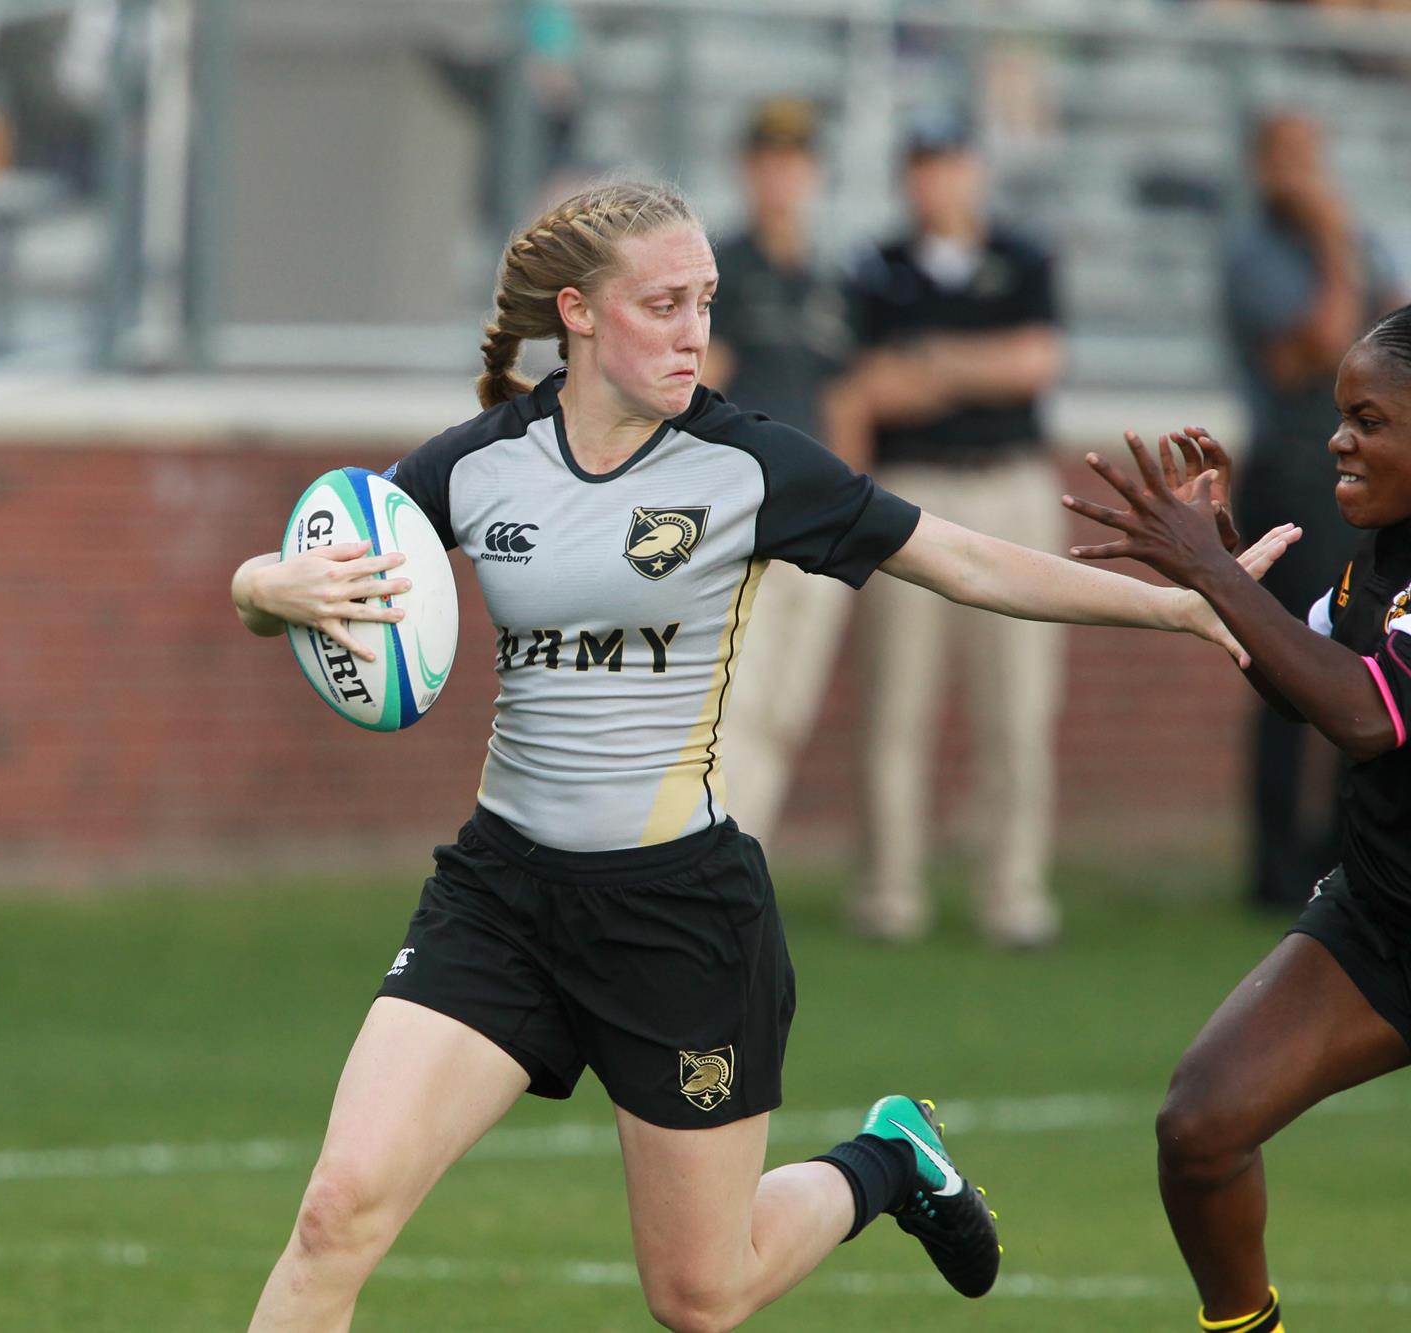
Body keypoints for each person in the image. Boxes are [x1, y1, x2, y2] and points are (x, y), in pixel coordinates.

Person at [228, 182, 1289, 1333]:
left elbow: (968, 562)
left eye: (704, 302)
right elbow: (322, 568)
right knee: (336, 1214)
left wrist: (1181, 608)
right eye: (663, 304)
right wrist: (263, 587)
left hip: (675, 914)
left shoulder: (746, 466)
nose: (693, 330)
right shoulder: (478, 464)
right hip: (498, 898)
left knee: (700, 1293)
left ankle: (888, 1162)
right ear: (577, 313)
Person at [1063, 305, 1411, 1333]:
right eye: (1339, 415)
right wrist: (1215, 578)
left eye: (1368, 419)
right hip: (1383, 918)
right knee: (1203, 1123)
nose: (1336, 439)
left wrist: (1212, 576)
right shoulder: (1376, 559)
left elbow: (1362, 716)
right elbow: (1305, 685)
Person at [839, 108, 1067, 948]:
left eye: (951, 163)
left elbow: (1037, 362)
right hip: (914, 489)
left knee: (1018, 702)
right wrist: (982, 370)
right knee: (899, 698)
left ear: (976, 169)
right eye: (923, 165)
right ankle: (889, 890)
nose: (938, 181)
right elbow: (868, 390)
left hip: (1011, 487)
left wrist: (932, 363)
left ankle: (1015, 893)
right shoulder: (876, 268)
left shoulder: (1024, 256)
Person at [1223, 110, 1405, 913]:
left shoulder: (1352, 235)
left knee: (1364, 668)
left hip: (1366, 485)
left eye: (1310, 153)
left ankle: (1343, 852)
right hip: (1291, 473)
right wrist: (1334, 238)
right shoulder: (1252, 250)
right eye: (1284, 156)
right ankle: (1273, 866)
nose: (1301, 173)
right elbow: (1327, 340)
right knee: (1294, 652)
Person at [702, 97, 866, 840]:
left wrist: (853, 511)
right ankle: (718, 865)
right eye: (769, 159)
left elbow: (845, 400)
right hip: (748, 521)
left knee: (785, 711)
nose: (782, 176)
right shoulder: (724, 270)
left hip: (818, 523)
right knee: (735, 704)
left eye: (795, 161)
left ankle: (742, 859)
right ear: (747, 168)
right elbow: (698, 386)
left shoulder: (826, 280)